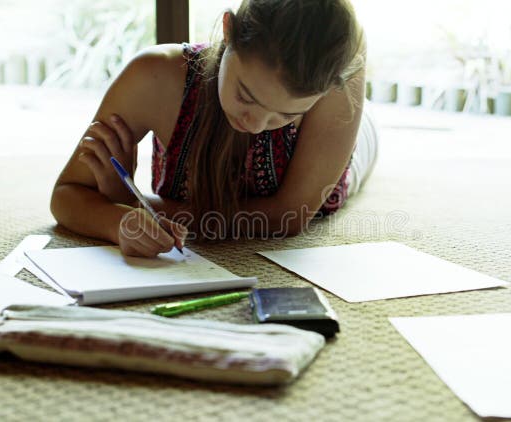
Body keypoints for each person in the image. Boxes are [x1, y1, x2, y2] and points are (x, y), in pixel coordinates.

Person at [50, 0, 378, 258]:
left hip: (356, 141)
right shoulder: (151, 77)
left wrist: (131, 203)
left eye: (285, 114)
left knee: (353, 45)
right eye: (246, 96)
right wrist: (116, 221)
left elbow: (286, 218)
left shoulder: (333, 78)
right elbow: (65, 195)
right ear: (228, 29)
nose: (257, 125)